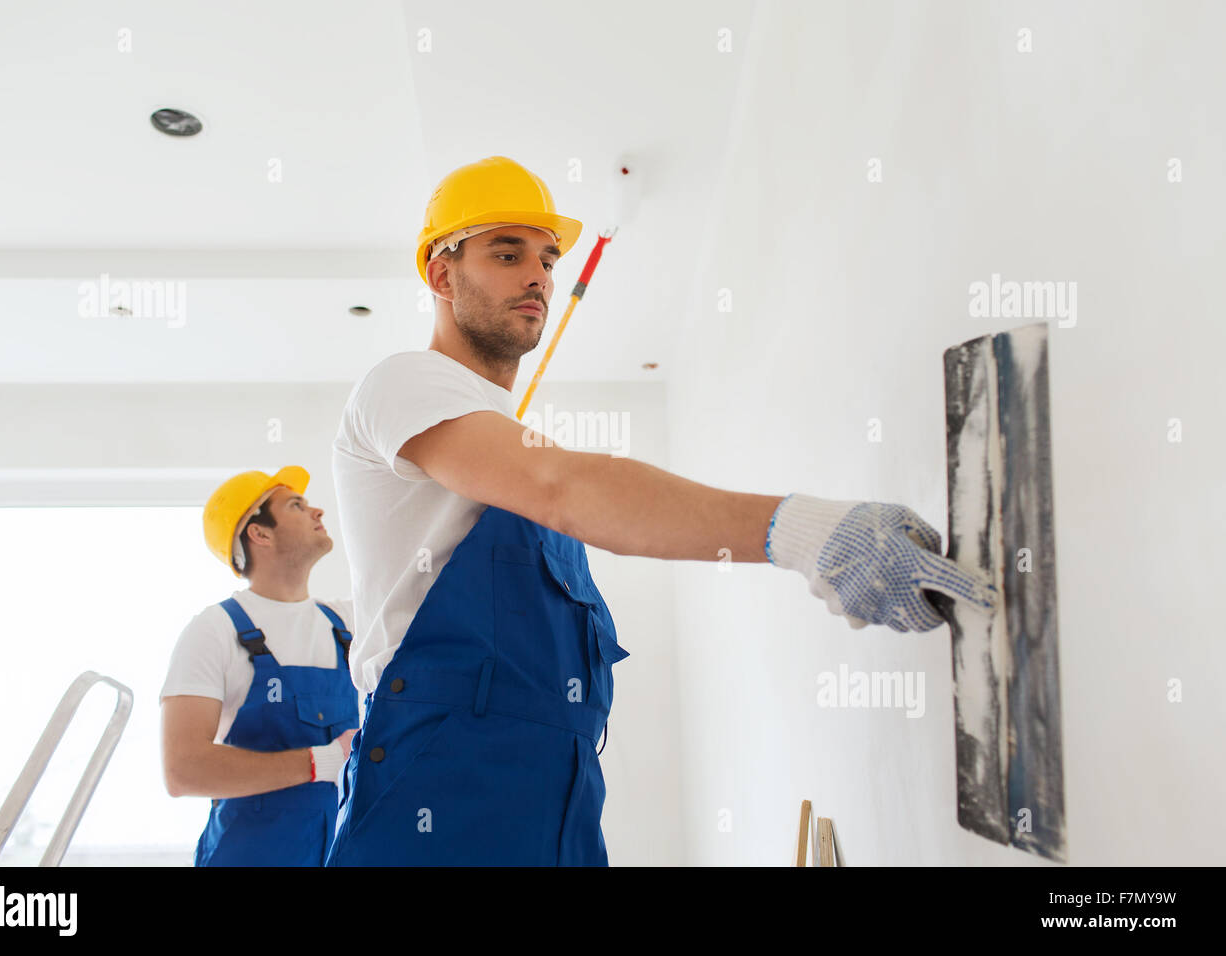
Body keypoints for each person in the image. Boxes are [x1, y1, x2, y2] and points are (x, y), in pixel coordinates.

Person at [325, 156, 996, 866]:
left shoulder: (510, 448)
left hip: (558, 793)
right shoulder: (404, 385)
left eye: (548, 258)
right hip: (436, 780)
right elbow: (563, 487)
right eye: (506, 252)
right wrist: (807, 533)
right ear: (440, 274)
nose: (539, 277)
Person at [160, 465, 361, 866]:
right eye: (297, 505)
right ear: (260, 533)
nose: (318, 512)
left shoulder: (350, 625)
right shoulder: (214, 630)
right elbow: (183, 770)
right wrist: (324, 761)